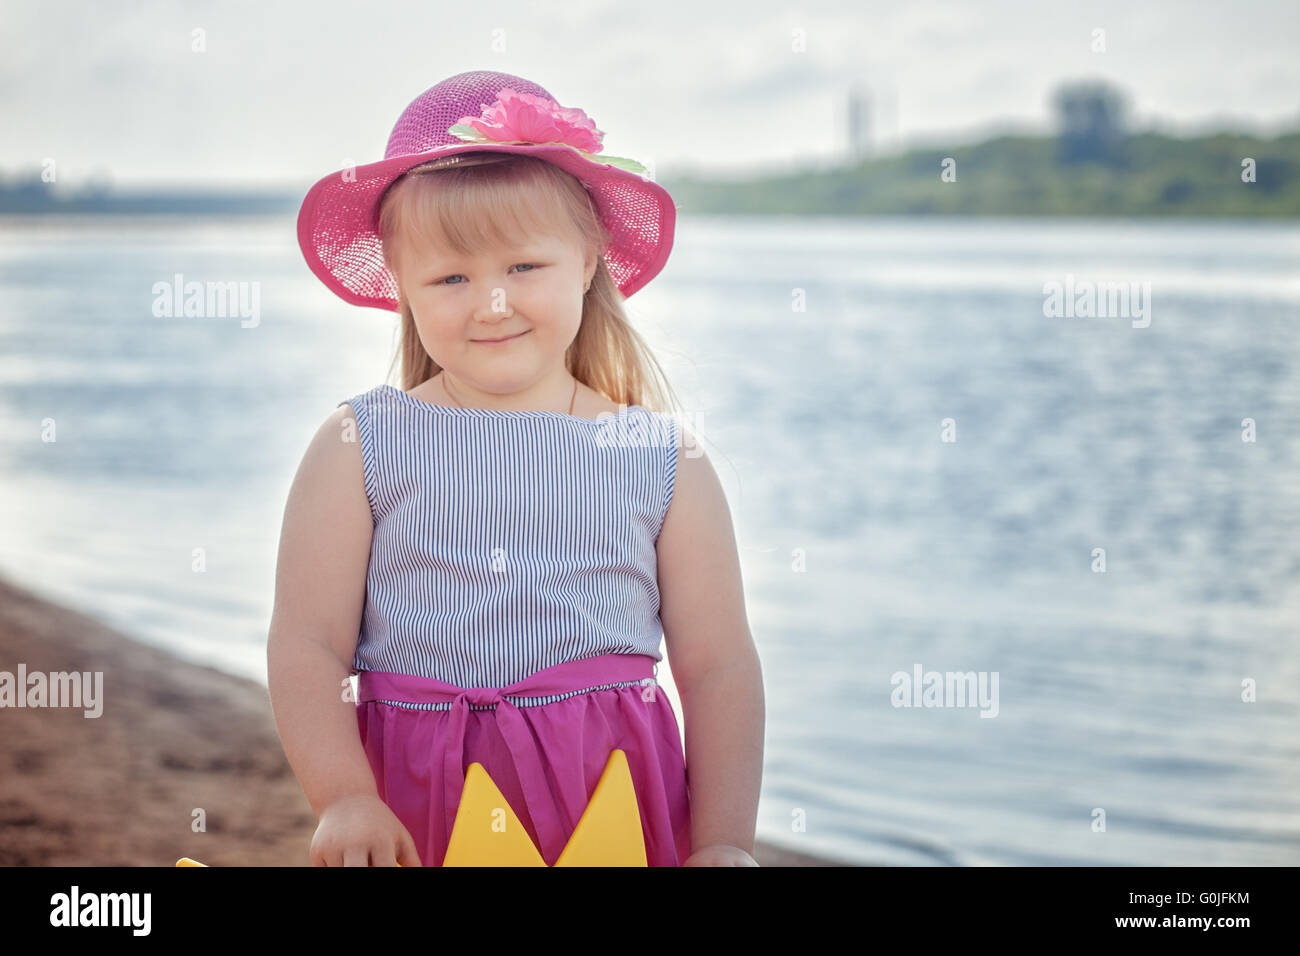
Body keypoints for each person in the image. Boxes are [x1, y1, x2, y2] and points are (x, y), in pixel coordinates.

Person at [268, 70, 763, 867]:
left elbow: (718, 668)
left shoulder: (663, 458)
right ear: (402, 286)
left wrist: (725, 841)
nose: (492, 304)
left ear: (590, 260)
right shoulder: (361, 444)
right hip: (423, 793)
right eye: (452, 278)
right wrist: (346, 796)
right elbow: (307, 646)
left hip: (612, 797)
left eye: (524, 268)